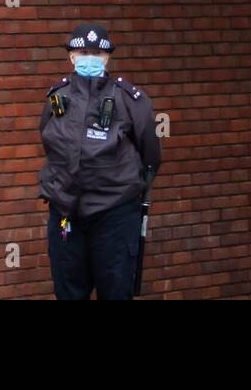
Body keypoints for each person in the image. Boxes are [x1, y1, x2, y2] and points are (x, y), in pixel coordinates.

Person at [39, 22, 161, 299]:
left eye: (96, 53)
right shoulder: (57, 97)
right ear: (71, 56)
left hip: (114, 215)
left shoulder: (130, 100)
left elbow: (150, 155)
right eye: (82, 52)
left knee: (116, 291)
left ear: (108, 58)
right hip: (66, 214)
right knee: (68, 292)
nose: (89, 58)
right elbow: (50, 145)